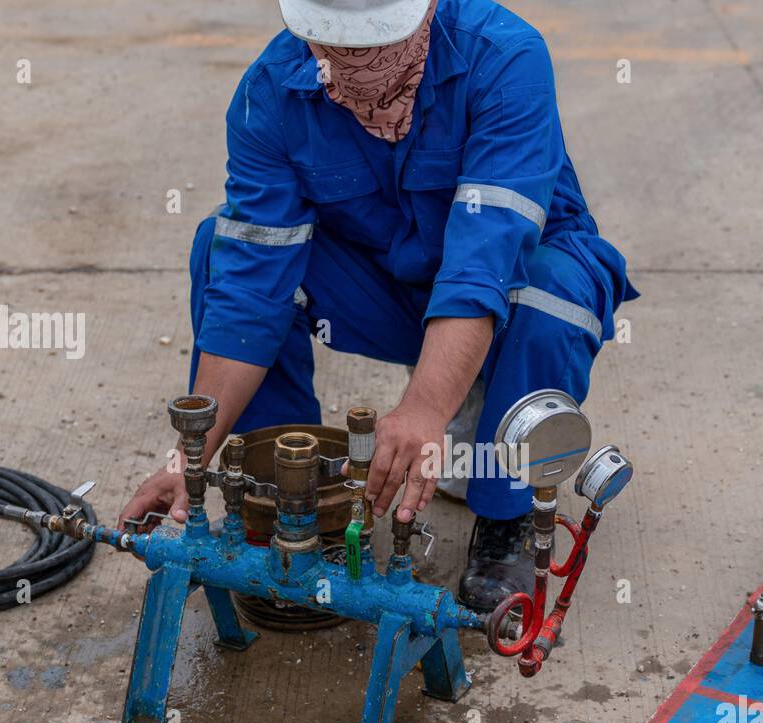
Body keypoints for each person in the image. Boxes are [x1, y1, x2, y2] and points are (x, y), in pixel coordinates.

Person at [119, 0, 636, 612]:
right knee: (220, 247)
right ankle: (290, 502)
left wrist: (422, 410)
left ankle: (505, 519)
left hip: (517, 286)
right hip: (391, 294)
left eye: (371, 42)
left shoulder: (504, 58)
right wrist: (191, 460)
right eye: (328, 42)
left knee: (555, 297)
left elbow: (484, 263)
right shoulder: (270, 93)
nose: (347, 64)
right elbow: (248, 292)